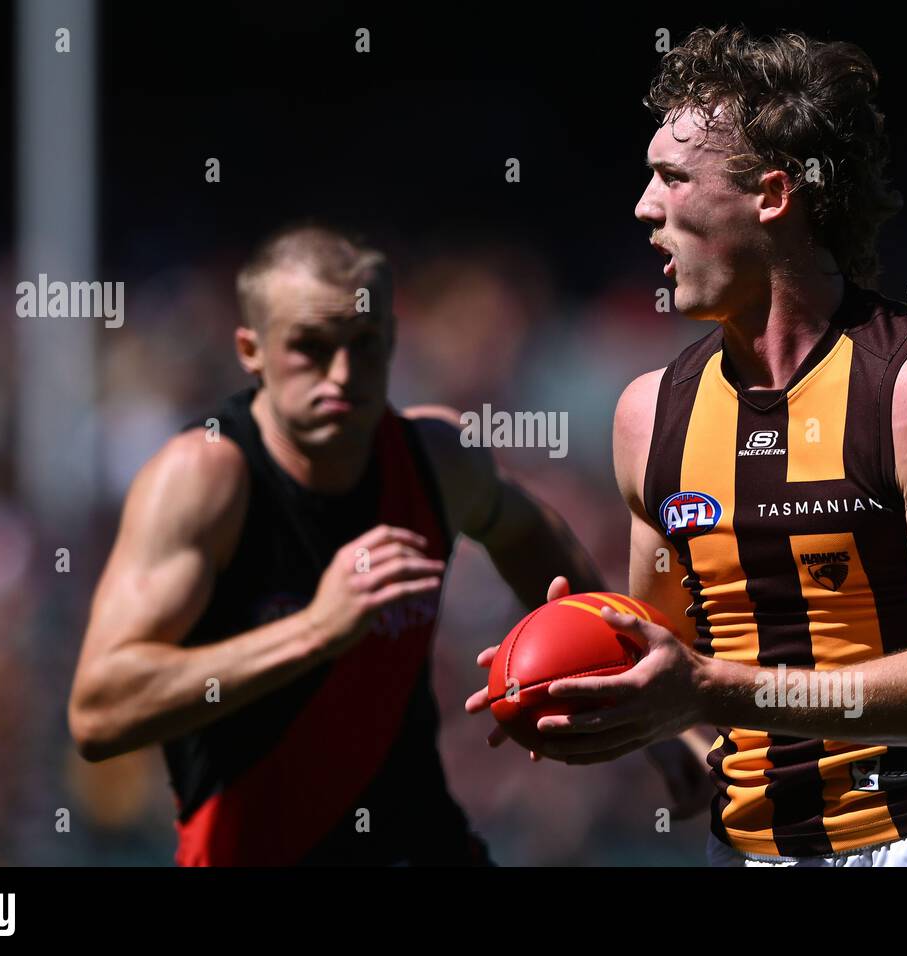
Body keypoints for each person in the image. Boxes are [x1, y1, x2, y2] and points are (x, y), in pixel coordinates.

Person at [468, 26, 907, 867]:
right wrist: (585, 668)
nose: (643, 207)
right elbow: (670, 663)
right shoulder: (648, 416)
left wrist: (709, 687)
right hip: (749, 852)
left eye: (672, 179)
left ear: (773, 195)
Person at [69, 224, 623, 865]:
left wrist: (627, 698)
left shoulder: (435, 459)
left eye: (365, 345)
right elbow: (99, 711)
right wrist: (314, 630)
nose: (344, 374)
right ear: (252, 351)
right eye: (311, 346)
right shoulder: (204, 479)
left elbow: (527, 531)